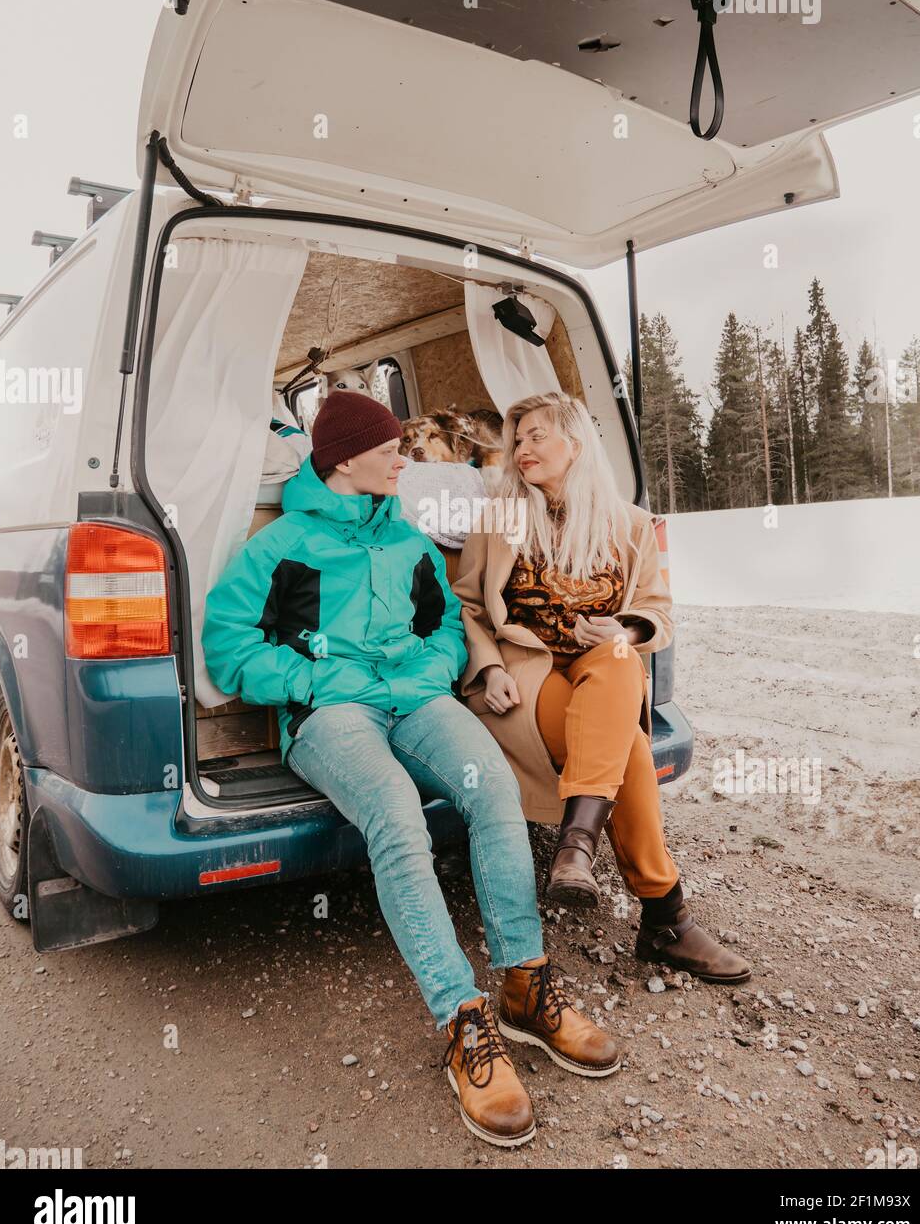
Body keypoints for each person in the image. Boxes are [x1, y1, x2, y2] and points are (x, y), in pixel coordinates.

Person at [202, 390, 621, 1147]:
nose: (404, 458)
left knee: (491, 785)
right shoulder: (283, 545)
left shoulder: (410, 540)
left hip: (415, 701)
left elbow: (444, 629)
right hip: (330, 714)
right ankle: (464, 1019)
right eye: (390, 447)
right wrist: (307, 682)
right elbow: (229, 647)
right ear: (345, 458)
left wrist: (429, 675)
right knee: (395, 812)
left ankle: (525, 983)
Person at [452, 391, 751, 984]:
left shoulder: (631, 525)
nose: (522, 447)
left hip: (601, 671)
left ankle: (578, 845)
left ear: (576, 444)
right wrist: (486, 668)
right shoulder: (502, 518)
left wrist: (628, 625)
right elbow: (465, 607)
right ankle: (662, 913)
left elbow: (657, 612)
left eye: (538, 434)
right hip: (527, 673)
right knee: (630, 748)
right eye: (517, 438)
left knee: (617, 657)